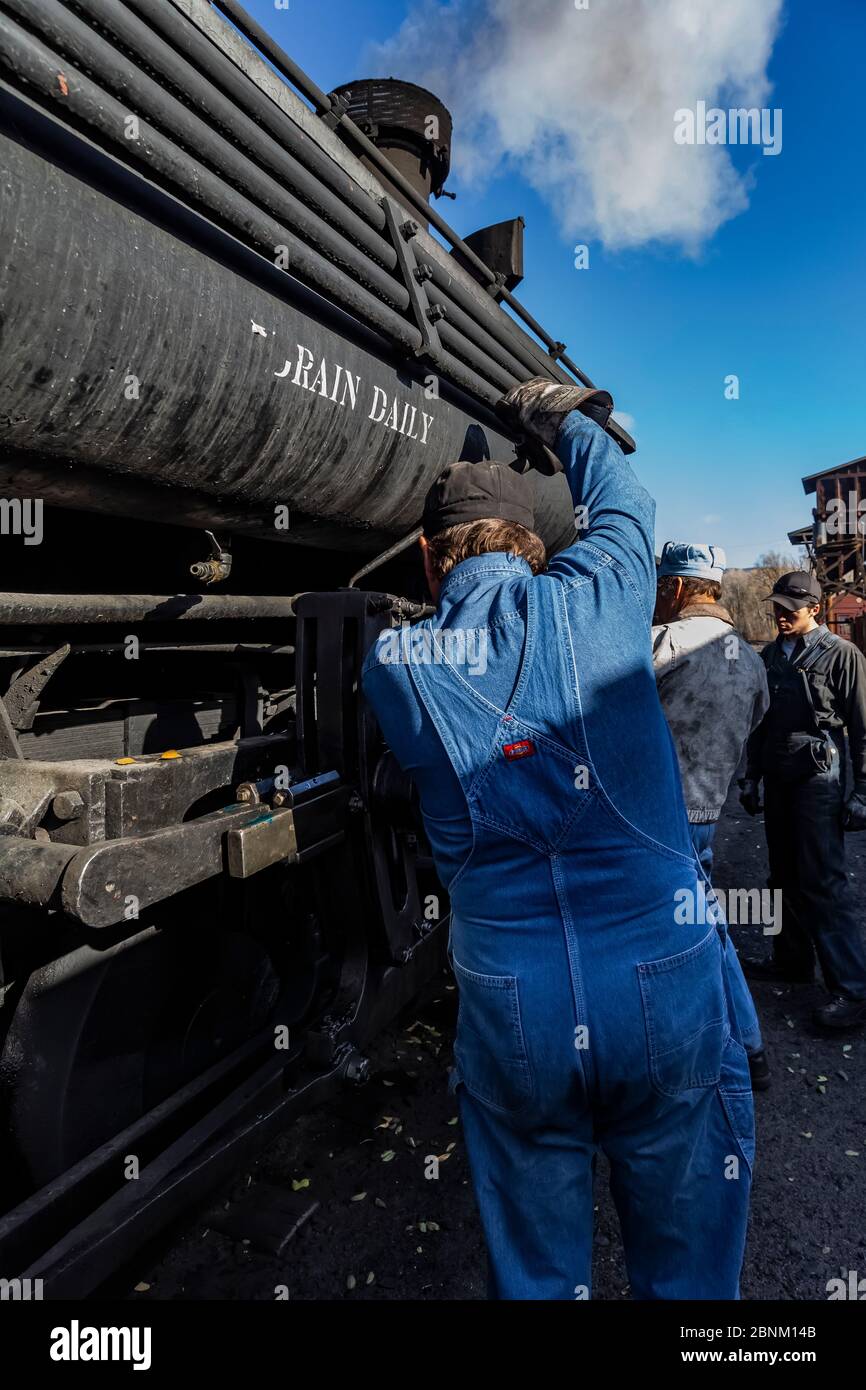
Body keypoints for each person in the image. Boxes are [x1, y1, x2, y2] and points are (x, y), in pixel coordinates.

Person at [362, 378, 754, 1300]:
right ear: (537, 551)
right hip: (661, 975)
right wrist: (559, 418)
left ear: (427, 560)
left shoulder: (396, 668)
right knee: (691, 1268)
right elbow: (629, 502)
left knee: (539, 1280)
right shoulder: (605, 592)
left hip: (514, 1005)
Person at [651, 542, 771, 1088]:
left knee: (697, 928)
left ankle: (743, 1046)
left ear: (677, 588)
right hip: (706, 813)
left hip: (655, 819)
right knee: (695, 920)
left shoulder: (660, 643)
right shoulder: (749, 659)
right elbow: (753, 723)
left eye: (659, 587)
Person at [740, 571, 866, 1028]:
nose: (780, 616)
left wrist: (863, 794)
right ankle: (791, 962)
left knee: (823, 880)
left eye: (789, 609)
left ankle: (852, 991)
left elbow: (862, 728)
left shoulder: (842, 655)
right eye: (776, 607)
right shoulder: (771, 655)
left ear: (814, 608)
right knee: (782, 876)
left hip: (819, 775)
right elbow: (759, 722)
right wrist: (751, 778)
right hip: (778, 772)